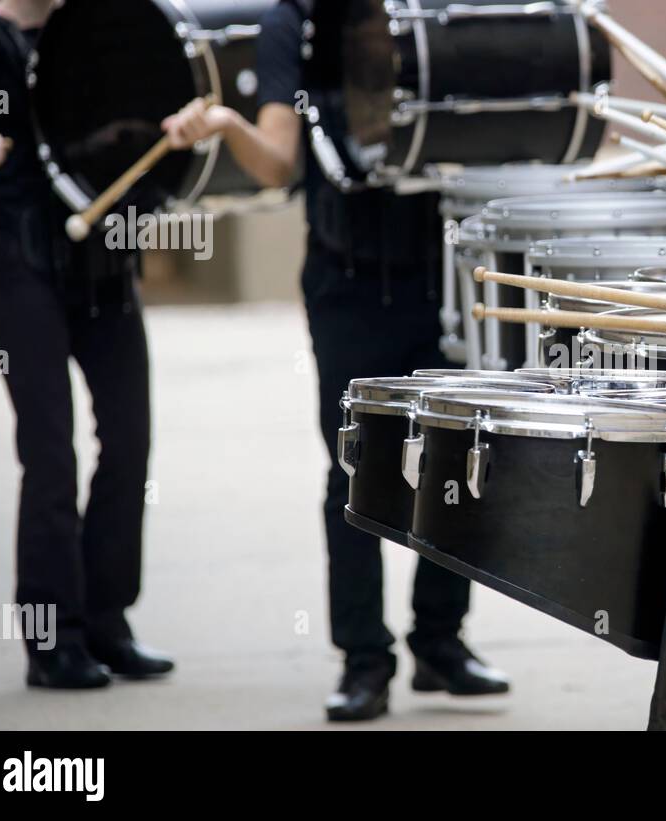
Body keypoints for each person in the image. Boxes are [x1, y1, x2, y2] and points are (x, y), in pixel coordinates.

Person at [160, 0, 510, 722]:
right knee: (356, 467)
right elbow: (278, 164)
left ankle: (441, 642)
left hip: (443, 275)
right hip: (345, 278)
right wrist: (229, 125)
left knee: (457, 460)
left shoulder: (432, 14)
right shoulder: (297, 25)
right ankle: (363, 657)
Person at [0, 0, 173, 688]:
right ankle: (52, 639)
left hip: (104, 264)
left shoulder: (103, 32)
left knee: (130, 436)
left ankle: (107, 618)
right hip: (24, 267)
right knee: (50, 449)